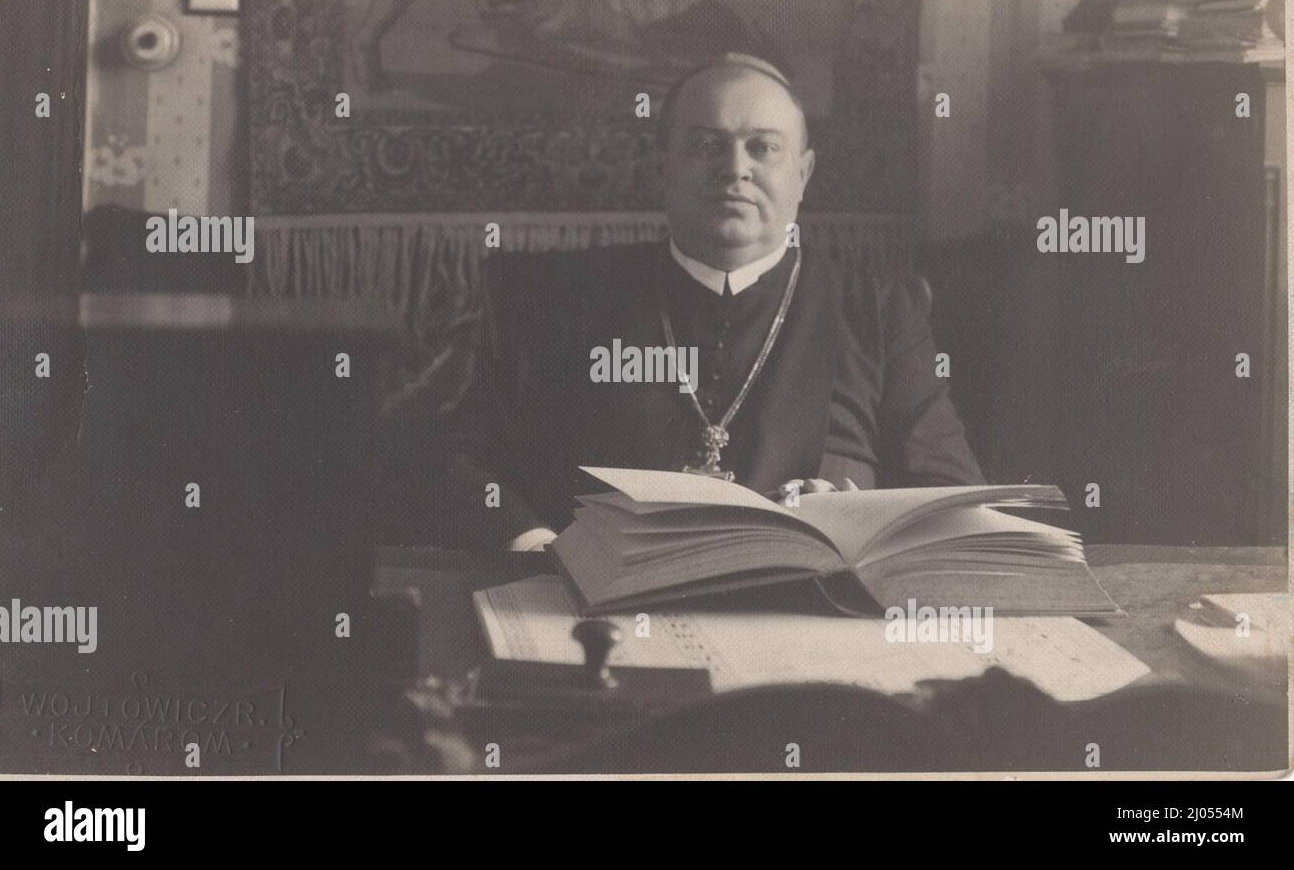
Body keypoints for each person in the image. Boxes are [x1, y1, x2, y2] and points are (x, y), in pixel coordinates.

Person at [390, 52, 982, 551]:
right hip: (595, 620)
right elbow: (449, 459)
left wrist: (862, 521)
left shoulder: (878, 311)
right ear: (662, 166)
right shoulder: (549, 297)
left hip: (810, 625)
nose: (735, 169)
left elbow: (953, 499)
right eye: (707, 144)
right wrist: (538, 545)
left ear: (803, 174)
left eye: (763, 148)